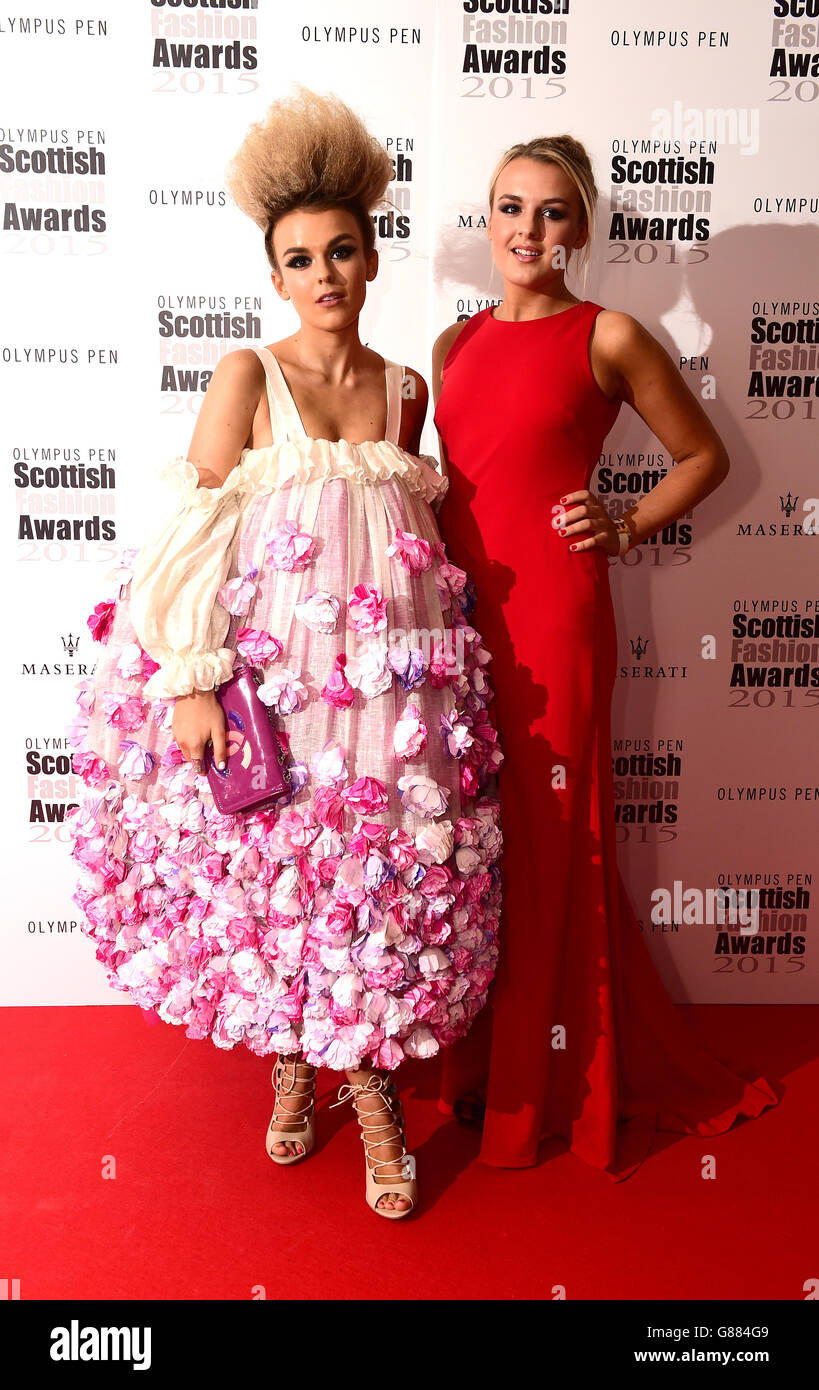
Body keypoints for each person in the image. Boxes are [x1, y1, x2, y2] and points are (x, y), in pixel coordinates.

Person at [65, 89, 503, 1220]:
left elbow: (417, 539)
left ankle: (370, 1096)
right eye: (299, 258)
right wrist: (197, 678)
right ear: (274, 276)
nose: (324, 274)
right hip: (278, 684)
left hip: (393, 686)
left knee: (371, 881)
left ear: (370, 258)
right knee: (285, 881)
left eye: (342, 251)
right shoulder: (247, 377)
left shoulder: (408, 391)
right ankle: (299, 1061)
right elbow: (190, 538)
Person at [431, 135, 777, 1180]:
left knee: (551, 838)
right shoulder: (451, 344)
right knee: (477, 838)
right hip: (459, 615)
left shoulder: (609, 334)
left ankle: (555, 1082)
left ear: (579, 227)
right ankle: (483, 1056)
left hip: (556, 614)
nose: (527, 230)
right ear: (486, 220)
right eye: (509, 208)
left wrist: (624, 524)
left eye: (550, 212)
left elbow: (706, 456)